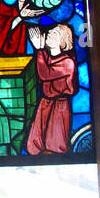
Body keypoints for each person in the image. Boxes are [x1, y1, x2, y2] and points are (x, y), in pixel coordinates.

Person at [25, 23, 78, 154]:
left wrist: (39, 49)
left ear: (63, 41)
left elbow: (45, 74)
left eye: (55, 33)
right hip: (44, 103)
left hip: (59, 106)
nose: (49, 33)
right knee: (35, 143)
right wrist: (40, 50)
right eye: (50, 32)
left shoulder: (68, 63)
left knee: (55, 144)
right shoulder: (46, 58)